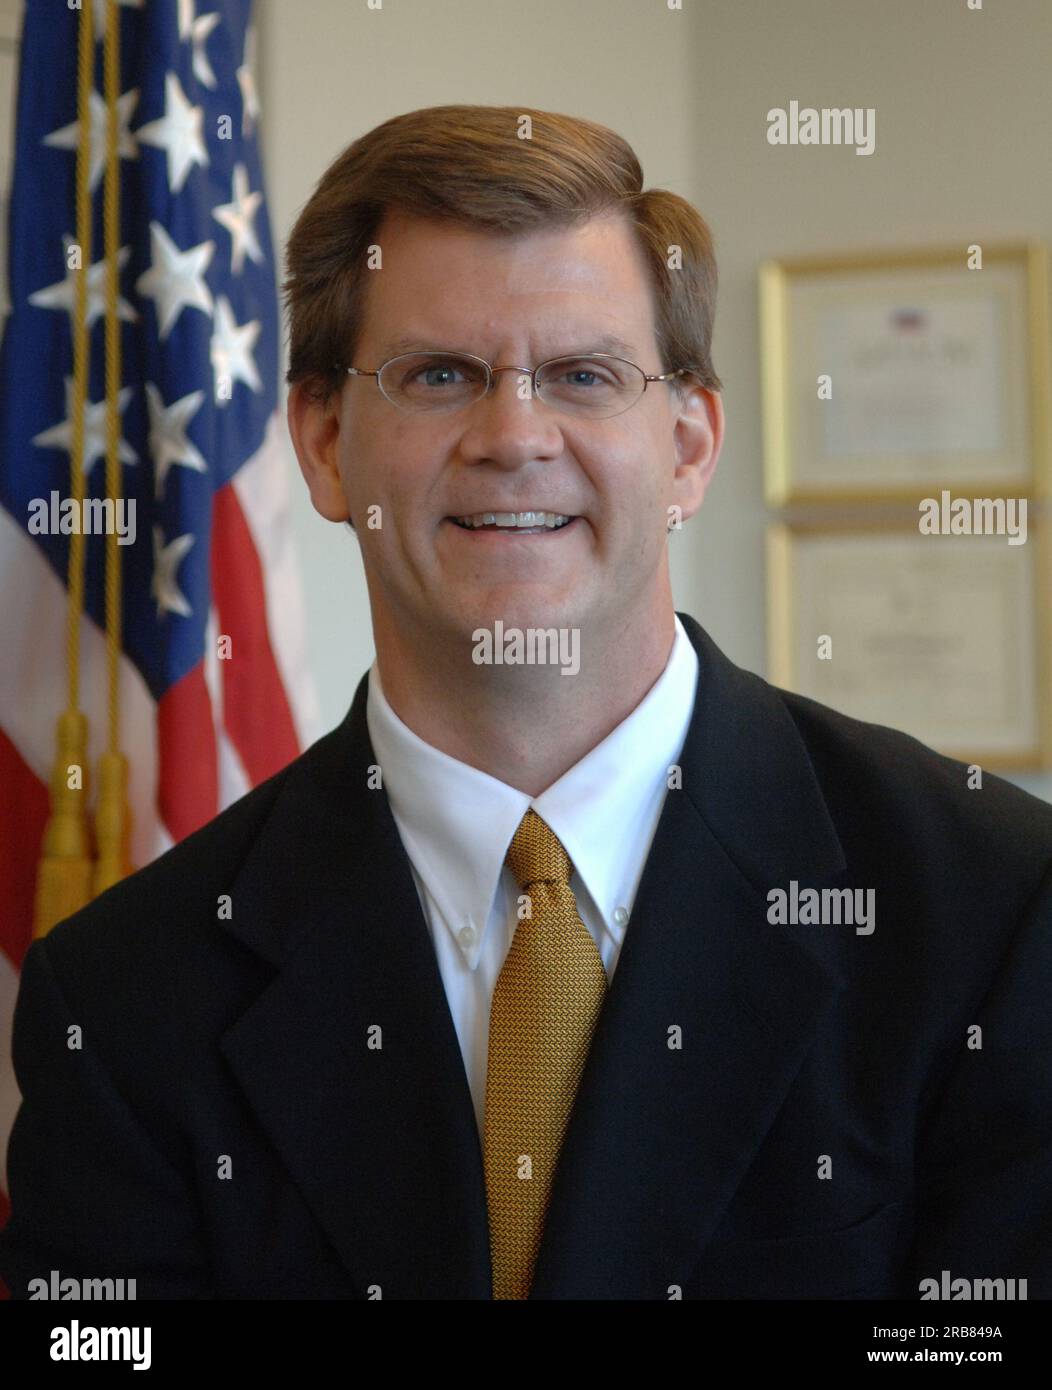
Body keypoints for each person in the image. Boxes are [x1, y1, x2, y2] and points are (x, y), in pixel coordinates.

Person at [2, 104, 1050, 1301]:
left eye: (582, 375)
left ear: (689, 445)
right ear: (325, 440)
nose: (513, 435)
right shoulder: (127, 992)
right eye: (437, 374)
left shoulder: (989, 908)